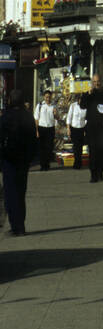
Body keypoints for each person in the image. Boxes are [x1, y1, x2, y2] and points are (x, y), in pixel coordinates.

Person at [0, 90, 39, 235]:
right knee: (21, 192)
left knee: (10, 194)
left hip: (9, 160)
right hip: (23, 160)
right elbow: (33, 139)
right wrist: (31, 157)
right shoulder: (27, 116)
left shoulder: (6, 117)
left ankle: (16, 226)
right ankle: (20, 224)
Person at [80, 73, 103, 182]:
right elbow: (82, 105)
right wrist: (88, 94)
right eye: (94, 82)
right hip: (91, 127)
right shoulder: (89, 94)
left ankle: (101, 171)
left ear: (102, 81)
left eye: (98, 81)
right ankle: (93, 174)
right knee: (93, 151)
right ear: (92, 83)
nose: (97, 84)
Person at [35, 89, 58, 171]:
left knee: (49, 147)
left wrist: (56, 114)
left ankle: (47, 164)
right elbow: (36, 118)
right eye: (46, 97)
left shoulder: (54, 106)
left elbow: (57, 118)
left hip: (50, 128)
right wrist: (37, 130)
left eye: (49, 97)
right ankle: (42, 165)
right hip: (41, 128)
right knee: (42, 148)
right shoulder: (40, 105)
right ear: (44, 97)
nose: (48, 98)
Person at [66, 93, 87, 169]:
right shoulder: (73, 106)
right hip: (74, 128)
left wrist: (85, 128)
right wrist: (68, 129)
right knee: (76, 146)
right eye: (80, 99)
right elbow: (69, 117)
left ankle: (79, 162)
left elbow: (86, 119)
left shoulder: (86, 107)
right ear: (78, 99)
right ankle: (76, 162)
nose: (81, 101)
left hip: (81, 128)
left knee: (80, 146)